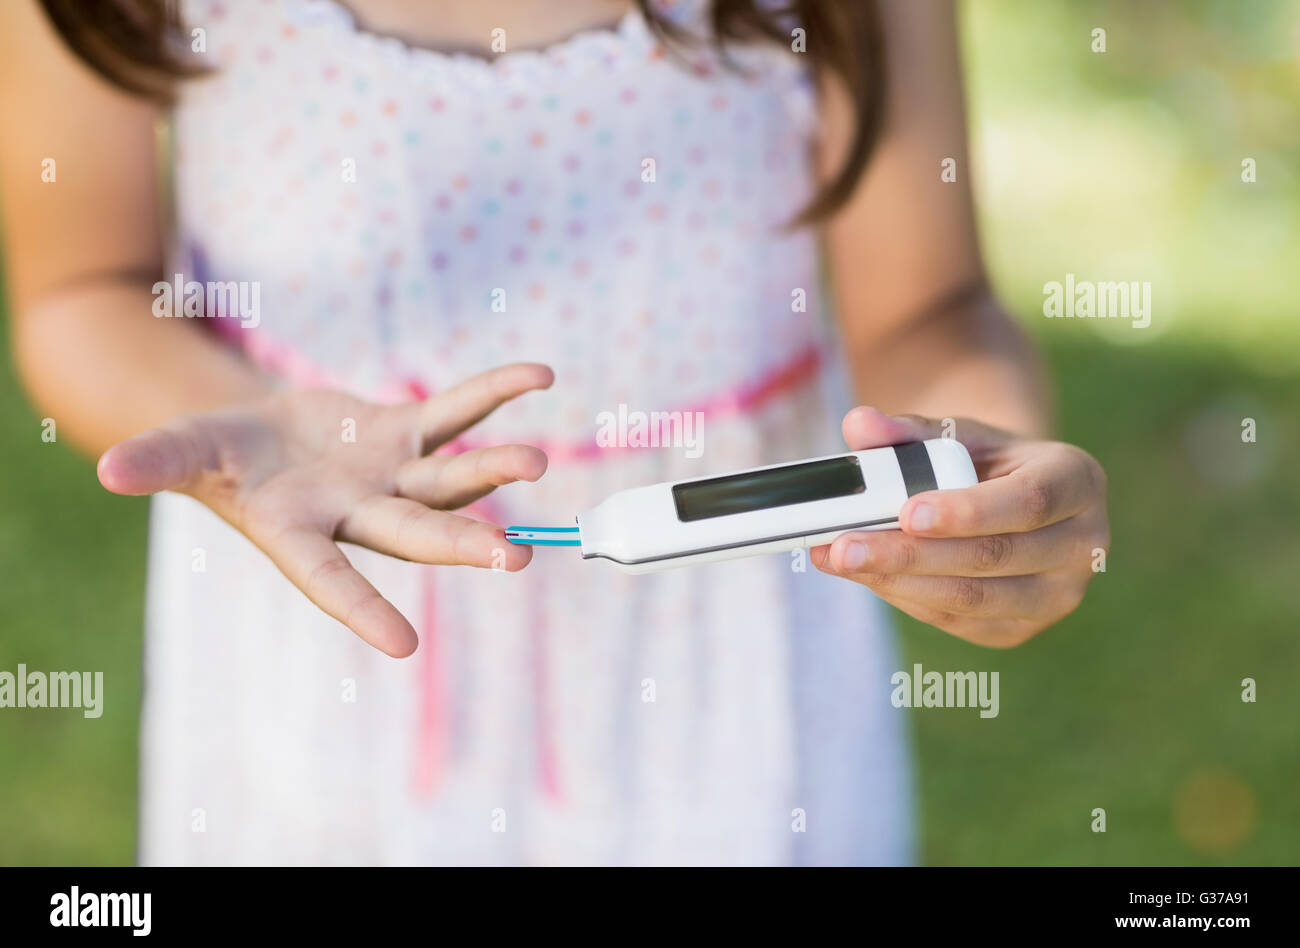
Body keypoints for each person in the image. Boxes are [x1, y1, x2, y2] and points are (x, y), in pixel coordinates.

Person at [0, 0, 1110, 864]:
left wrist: (979, 482)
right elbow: (83, 286)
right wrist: (246, 425)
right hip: (325, 626)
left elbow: (927, 306)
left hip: (719, 655)